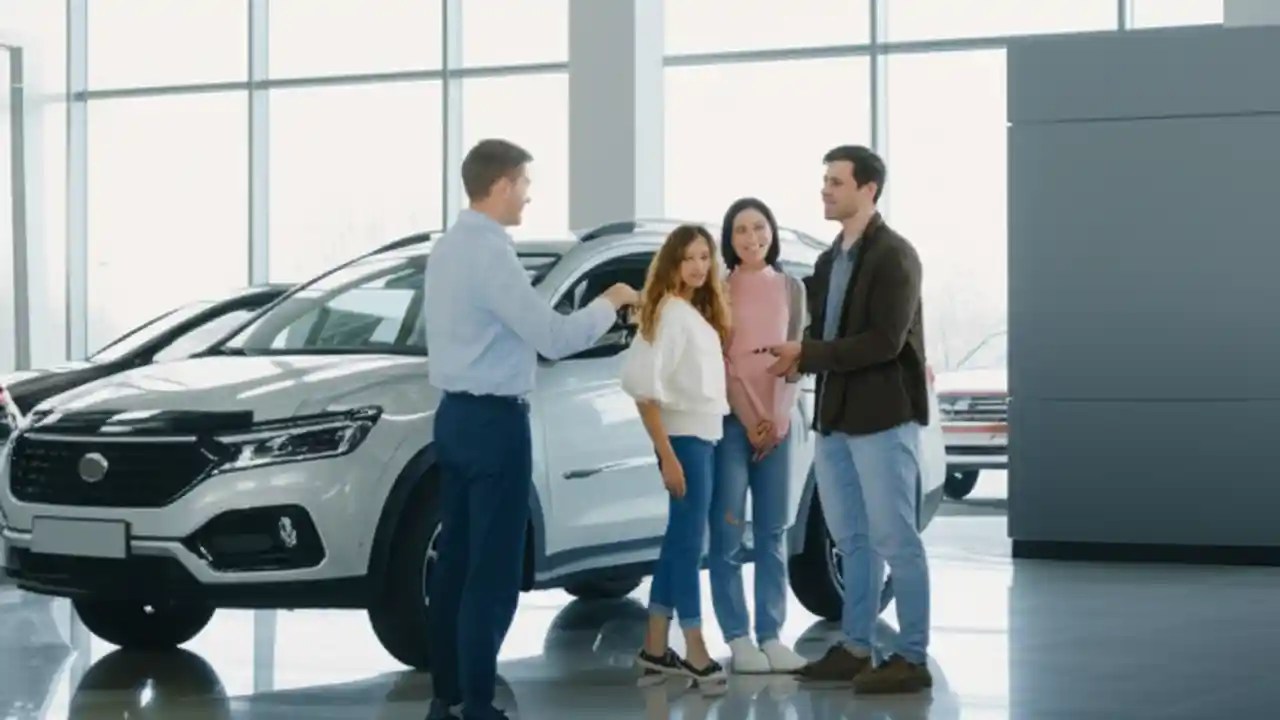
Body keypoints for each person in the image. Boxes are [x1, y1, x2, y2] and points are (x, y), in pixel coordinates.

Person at [423, 138, 640, 720]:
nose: (528, 195)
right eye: (523, 183)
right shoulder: (492, 254)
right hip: (495, 423)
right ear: (498, 186)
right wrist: (611, 300)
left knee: (455, 563)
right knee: (491, 572)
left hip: (453, 418)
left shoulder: (445, 249)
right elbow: (553, 337)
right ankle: (476, 703)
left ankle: (445, 698)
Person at [764, 145, 934, 694]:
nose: (826, 190)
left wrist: (807, 356)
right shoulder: (828, 260)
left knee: (895, 539)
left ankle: (911, 656)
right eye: (825, 181)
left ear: (869, 189)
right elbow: (814, 328)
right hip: (835, 419)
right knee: (851, 539)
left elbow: (884, 342)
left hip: (883, 418)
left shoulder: (896, 256)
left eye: (836, 182)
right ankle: (858, 645)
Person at [622, 224, 732, 684]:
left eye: (705, 256)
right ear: (672, 262)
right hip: (684, 441)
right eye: (689, 257)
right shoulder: (668, 312)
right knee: (689, 546)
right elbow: (643, 391)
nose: (699, 266)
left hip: (700, 438)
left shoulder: (687, 310)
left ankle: (653, 646)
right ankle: (694, 646)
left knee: (679, 542)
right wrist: (666, 454)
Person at [709, 197, 808, 674]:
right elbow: (723, 362)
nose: (752, 238)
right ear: (729, 239)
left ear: (772, 231)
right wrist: (751, 419)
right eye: (741, 230)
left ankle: (771, 635)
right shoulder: (719, 289)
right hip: (732, 423)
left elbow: (796, 357)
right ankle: (737, 636)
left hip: (780, 424)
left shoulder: (792, 288)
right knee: (727, 530)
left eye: (759, 227)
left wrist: (779, 418)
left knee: (772, 532)